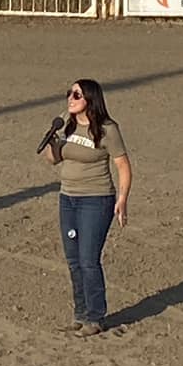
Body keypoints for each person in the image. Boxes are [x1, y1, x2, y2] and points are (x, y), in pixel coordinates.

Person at [45, 78, 132, 336]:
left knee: (88, 260)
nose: (70, 98)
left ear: (90, 100)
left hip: (96, 201)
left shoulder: (107, 129)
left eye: (77, 94)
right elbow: (53, 159)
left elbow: (123, 166)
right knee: (73, 260)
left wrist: (123, 199)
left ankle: (95, 317)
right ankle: (80, 314)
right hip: (68, 199)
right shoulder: (66, 123)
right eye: (69, 93)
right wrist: (51, 141)